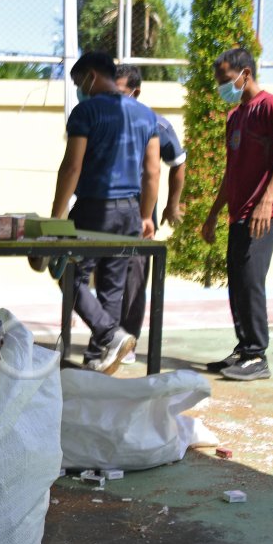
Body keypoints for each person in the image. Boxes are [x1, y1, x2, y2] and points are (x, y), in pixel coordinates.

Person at [50, 51, 159, 375]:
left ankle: (109, 335)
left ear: (91, 76)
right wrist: (145, 214)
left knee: (66, 273)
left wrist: (56, 217)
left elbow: (72, 166)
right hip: (129, 210)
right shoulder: (146, 115)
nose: (78, 88)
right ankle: (99, 356)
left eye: (77, 82)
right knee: (112, 286)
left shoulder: (86, 111)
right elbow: (152, 172)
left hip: (94, 208)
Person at [201, 48, 273, 381]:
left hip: (265, 212)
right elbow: (232, 171)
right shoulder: (236, 116)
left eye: (226, 80)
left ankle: (257, 355)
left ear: (246, 74)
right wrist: (213, 214)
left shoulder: (272, 106)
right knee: (238, 280)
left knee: (251, 279)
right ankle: (244, 349)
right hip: (240, 212)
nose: (223, 87)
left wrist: (267, 200)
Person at [114, 64, 187, 363]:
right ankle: (107, 336)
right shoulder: (104, 118)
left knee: (133, 279)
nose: (113, 98)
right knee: (103, 277)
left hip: (138, 216)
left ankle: (127, 341)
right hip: (104, 211)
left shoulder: (155, 123)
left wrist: (171, 204)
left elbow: (177, 162)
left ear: (135, 91)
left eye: (119, 92)